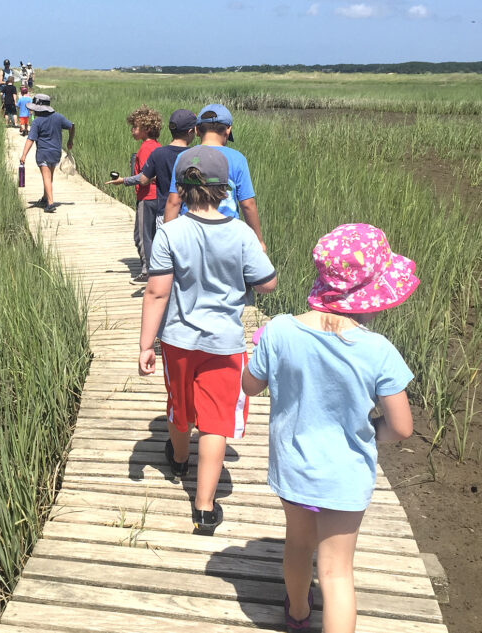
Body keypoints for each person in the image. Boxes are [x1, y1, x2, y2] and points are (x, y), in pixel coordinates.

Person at [241, 223, 418, 633]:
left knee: (298, 546)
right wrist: (377, 435)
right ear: (372, 295)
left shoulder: (281, 330)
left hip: (294, 466)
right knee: (337, 572)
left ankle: (298, 614)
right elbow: (403, 428)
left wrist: (261, 348)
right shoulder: (378, 351)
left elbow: (250, 385)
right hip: (345, 474)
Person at [138, 145, 277, 532]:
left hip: (179, 341)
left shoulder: (170, 232)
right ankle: (203, 507)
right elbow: (268, 284)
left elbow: (157, 292)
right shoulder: (242, 235)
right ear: (226, 189)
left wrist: (146, 344)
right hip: (226, 345)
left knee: (180, 405)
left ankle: (179, 460)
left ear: (180, 188)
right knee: (216, 422)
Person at [164, 104, 266, 252]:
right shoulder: (237, 159)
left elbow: (173, 202)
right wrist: (259, 240)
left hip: (190, 235)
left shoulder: (184, 157)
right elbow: (248, 204)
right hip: (228, 238)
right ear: (228, 130)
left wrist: (168, 239)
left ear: (197, 130)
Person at [106, 109, 196, 230]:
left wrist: (123, 180)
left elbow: (143, 179)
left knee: (157, 243)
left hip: (164, 211)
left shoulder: (158, 153)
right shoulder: (196, 154)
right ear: (191, 131)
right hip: (189, 213)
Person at [109, 105, 162, 285]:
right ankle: (157, 269)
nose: (132, 130)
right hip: (158, 197)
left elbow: (145, 177)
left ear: (146, 129)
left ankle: (148, 272)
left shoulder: (146, 148)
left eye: (135, 127)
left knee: (142, 235)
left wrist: (123, 181)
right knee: (152, 235)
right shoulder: (156, 146)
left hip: (147, 197)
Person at [19, 94, 75, 214]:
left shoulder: (37, 122)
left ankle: (50, 203)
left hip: (43, 153)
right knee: (49, 177)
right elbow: (72, 126)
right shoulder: (58, 117)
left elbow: (30, 139)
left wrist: (24, 155)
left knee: (46, 177)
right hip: (56, 153)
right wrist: (70, 140)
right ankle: (45, 198)